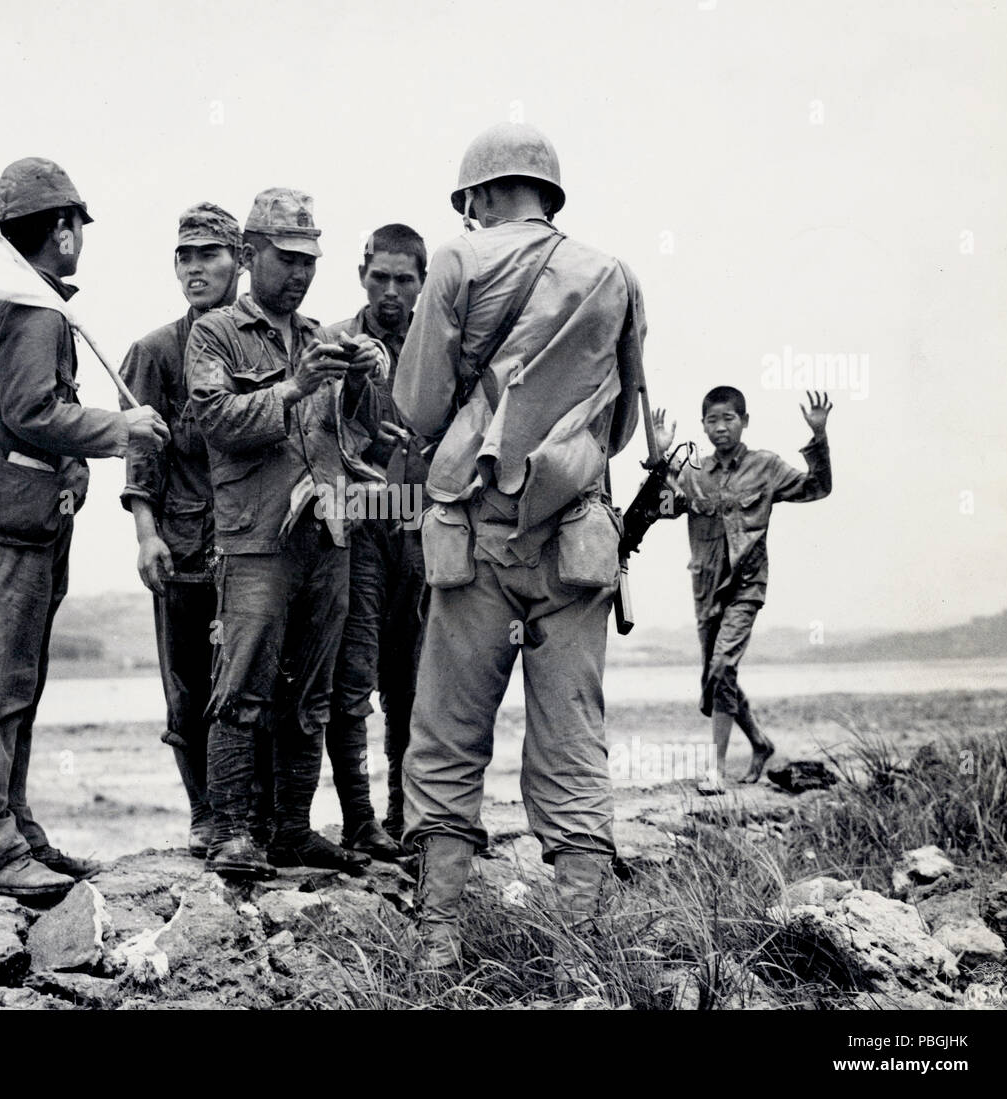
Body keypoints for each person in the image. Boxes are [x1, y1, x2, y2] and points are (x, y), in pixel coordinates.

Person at [392, 123, 645, 970]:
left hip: (477, 532)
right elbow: (622, 425)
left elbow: (421, 406)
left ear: (481, 193)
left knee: (447, 733)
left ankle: (438, 942)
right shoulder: (613, 273)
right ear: (547, 191)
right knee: (573, 735)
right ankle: (577, 948)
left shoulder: (457, 262)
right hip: (575, 538)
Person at [0, 157, 168, 897]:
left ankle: (10, 827)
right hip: (4, 550)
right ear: (60, 231)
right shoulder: (35, 310)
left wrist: (1, 463)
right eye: (77, 225)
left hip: (6, 540)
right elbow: (31, 409)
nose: (80, 237)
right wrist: (119, 429)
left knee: (11, 698)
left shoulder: (1, 304)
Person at [185, 187, 384, 880]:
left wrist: (365, 379)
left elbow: (353, 435)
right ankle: (232, 830)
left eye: (309, 260)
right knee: (241, 686)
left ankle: (293, 828)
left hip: (325, 536)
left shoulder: (322, 337)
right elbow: (215, 420)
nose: (300, 273)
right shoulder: (214, 334)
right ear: (249, 255)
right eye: (287, 258)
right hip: (256, 541)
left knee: (314, 693)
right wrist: (293, 389)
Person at [118, 202, 242, 858]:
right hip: (183, 549)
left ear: (241, 261)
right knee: (188, 690)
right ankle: (205, 814)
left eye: (209, 254)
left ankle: (250, 816)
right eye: (184, 255)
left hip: (255, 547)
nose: (194, 267)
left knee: (255, 684)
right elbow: (144, 456)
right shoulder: (155, 354)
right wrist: (146, 533)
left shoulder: (266, 343)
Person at [652, 387, 833, 794]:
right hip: (705, 586)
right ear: (702, 426)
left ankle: (714, 769)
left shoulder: (764, 467)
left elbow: (816, 488)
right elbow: (663, 505)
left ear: (745, 421)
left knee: (721, 669)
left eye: (728, 419)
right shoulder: (694, 474)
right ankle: (760, 743)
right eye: (712, 421)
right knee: (719, 673)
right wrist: (659, 456)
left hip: (747, 585)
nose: (720, 428)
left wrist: (819, 435)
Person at [322, 224, 429, 858]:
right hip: (359, 531)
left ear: (422, 282)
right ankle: (360, 819)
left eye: (405, 279)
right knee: (352, 678)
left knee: (413, 685)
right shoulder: (333, 343)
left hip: (423, 532)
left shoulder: (440, 351)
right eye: (380, 277)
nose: (391, 292)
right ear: (362, 271)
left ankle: (405, 814)